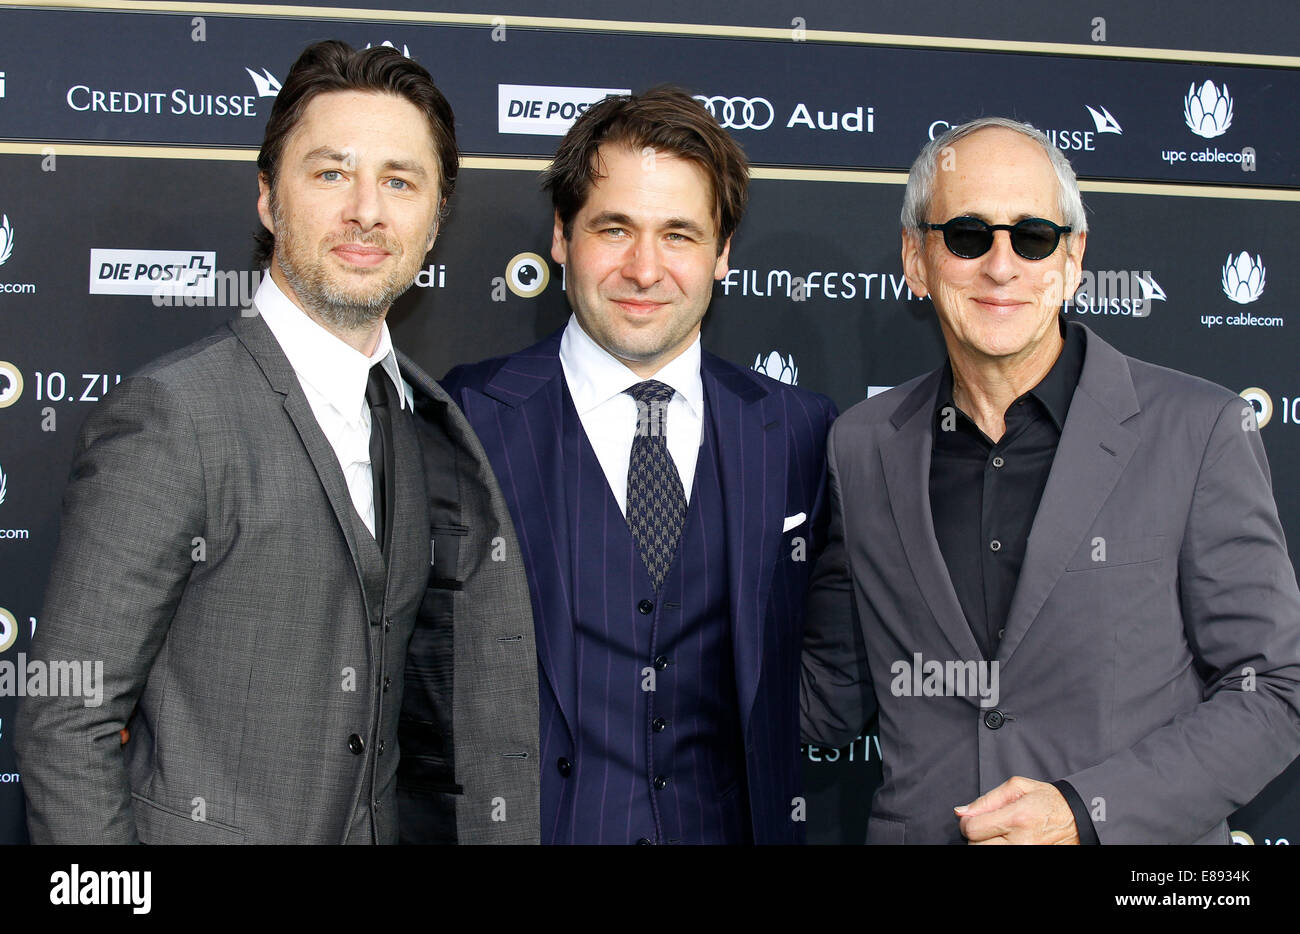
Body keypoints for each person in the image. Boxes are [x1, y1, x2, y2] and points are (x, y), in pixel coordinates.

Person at [15, 40, 538, 844]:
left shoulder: (424, 422)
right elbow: (64, 722)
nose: (367, 209)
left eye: (400, 182)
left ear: (434, 223)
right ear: (268, 199)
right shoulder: (173, 417)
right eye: (331, 174)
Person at [800, 116, 1300, 844]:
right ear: (916, 258)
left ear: (1073, 259)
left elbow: (1277, 689)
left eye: (1033, 236)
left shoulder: (1196, 432)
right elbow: (831, 694)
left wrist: (1085, 812)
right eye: (968, 235)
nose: (1002, 267)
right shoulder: (862, 446)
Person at [416, 87, 836, 844]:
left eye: (679, 235)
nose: (646, 269)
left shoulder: (799, 431)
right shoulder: (467, 418)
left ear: (723, 252)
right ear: (561, 236)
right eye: (615, 228)